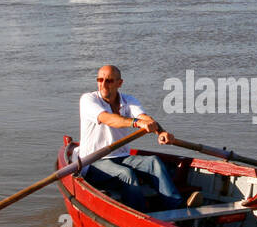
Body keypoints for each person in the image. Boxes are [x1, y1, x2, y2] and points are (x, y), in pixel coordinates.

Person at [77, 64, 200, 212]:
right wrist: (136, 123)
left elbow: (145, 118)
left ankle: (175, 208)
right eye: (100, 79)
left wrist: (161, 132)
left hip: (122, 156)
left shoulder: (128, 100)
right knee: (127, 175)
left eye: (109, 81)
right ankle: (141, 215)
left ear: (119, 83)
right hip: (94, 162)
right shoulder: (88, 100)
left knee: (154, 162)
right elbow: (108, 119)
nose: (103, 84)